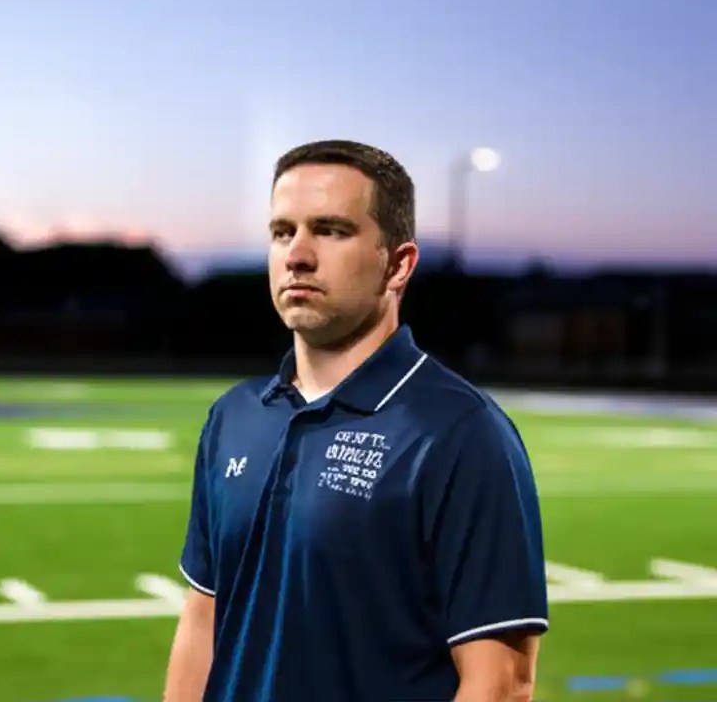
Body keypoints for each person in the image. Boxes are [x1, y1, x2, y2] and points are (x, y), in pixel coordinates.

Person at [162, 139, 549, 701]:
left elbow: (500, 683)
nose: (297, 254)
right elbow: (203, 619)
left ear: (397, 264)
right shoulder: (234, 417)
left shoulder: (461, 432)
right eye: (281, 231)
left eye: (331, 230)